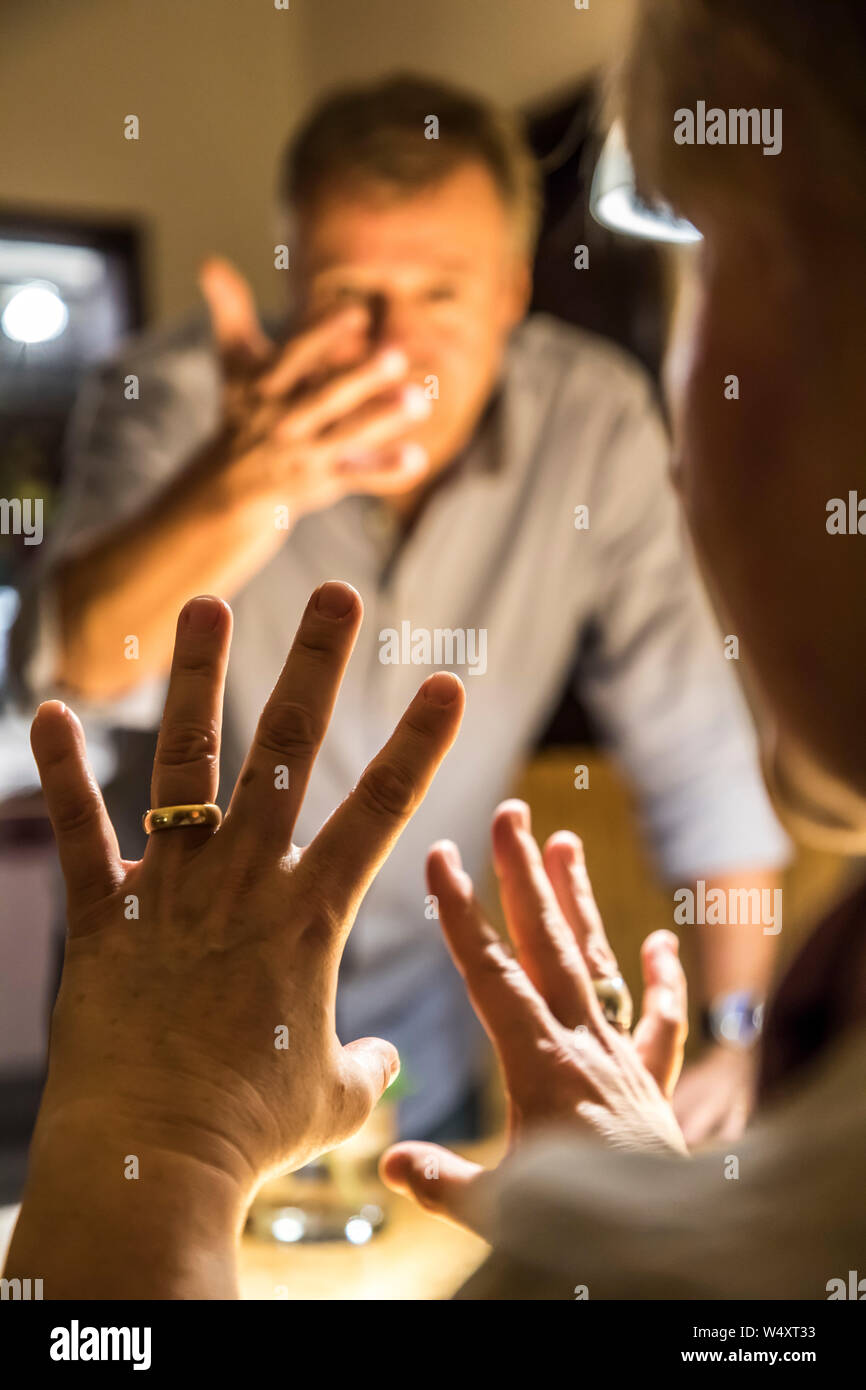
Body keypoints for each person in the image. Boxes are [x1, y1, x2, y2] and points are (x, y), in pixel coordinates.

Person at [6, 0, 866, 1302]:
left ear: (515, 291)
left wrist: (738, 1034)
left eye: (441, 295)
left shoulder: (595, 418)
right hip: (162, 1018)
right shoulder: (175, 394)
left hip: (425, 1043)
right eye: (352, 293)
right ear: (293, 277)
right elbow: (65, 680)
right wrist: (237, 497)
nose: (394, 348)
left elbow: (697, 743)